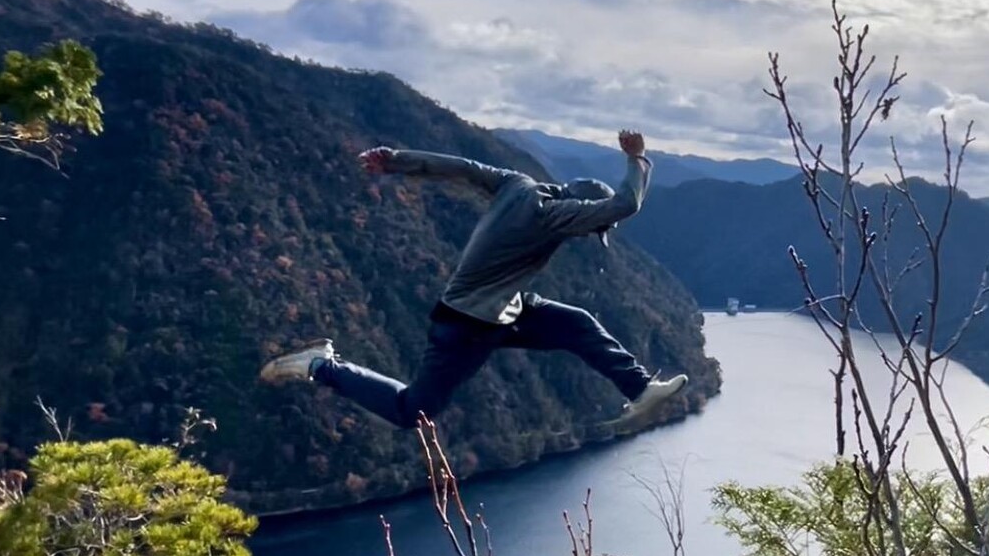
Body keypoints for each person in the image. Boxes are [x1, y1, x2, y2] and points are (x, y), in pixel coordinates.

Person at [259, 129, 689, 430]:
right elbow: (625, 204)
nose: (585, 233)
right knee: (413, 411)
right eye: (589, 227)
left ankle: (639, 389)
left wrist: (397, 162)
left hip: (500, 309)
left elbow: (461, 167)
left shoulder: (517, 184)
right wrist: (636, 159)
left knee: (576, 322)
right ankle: (319, 365)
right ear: (578, 210)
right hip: (468, 324)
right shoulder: (553, 215)